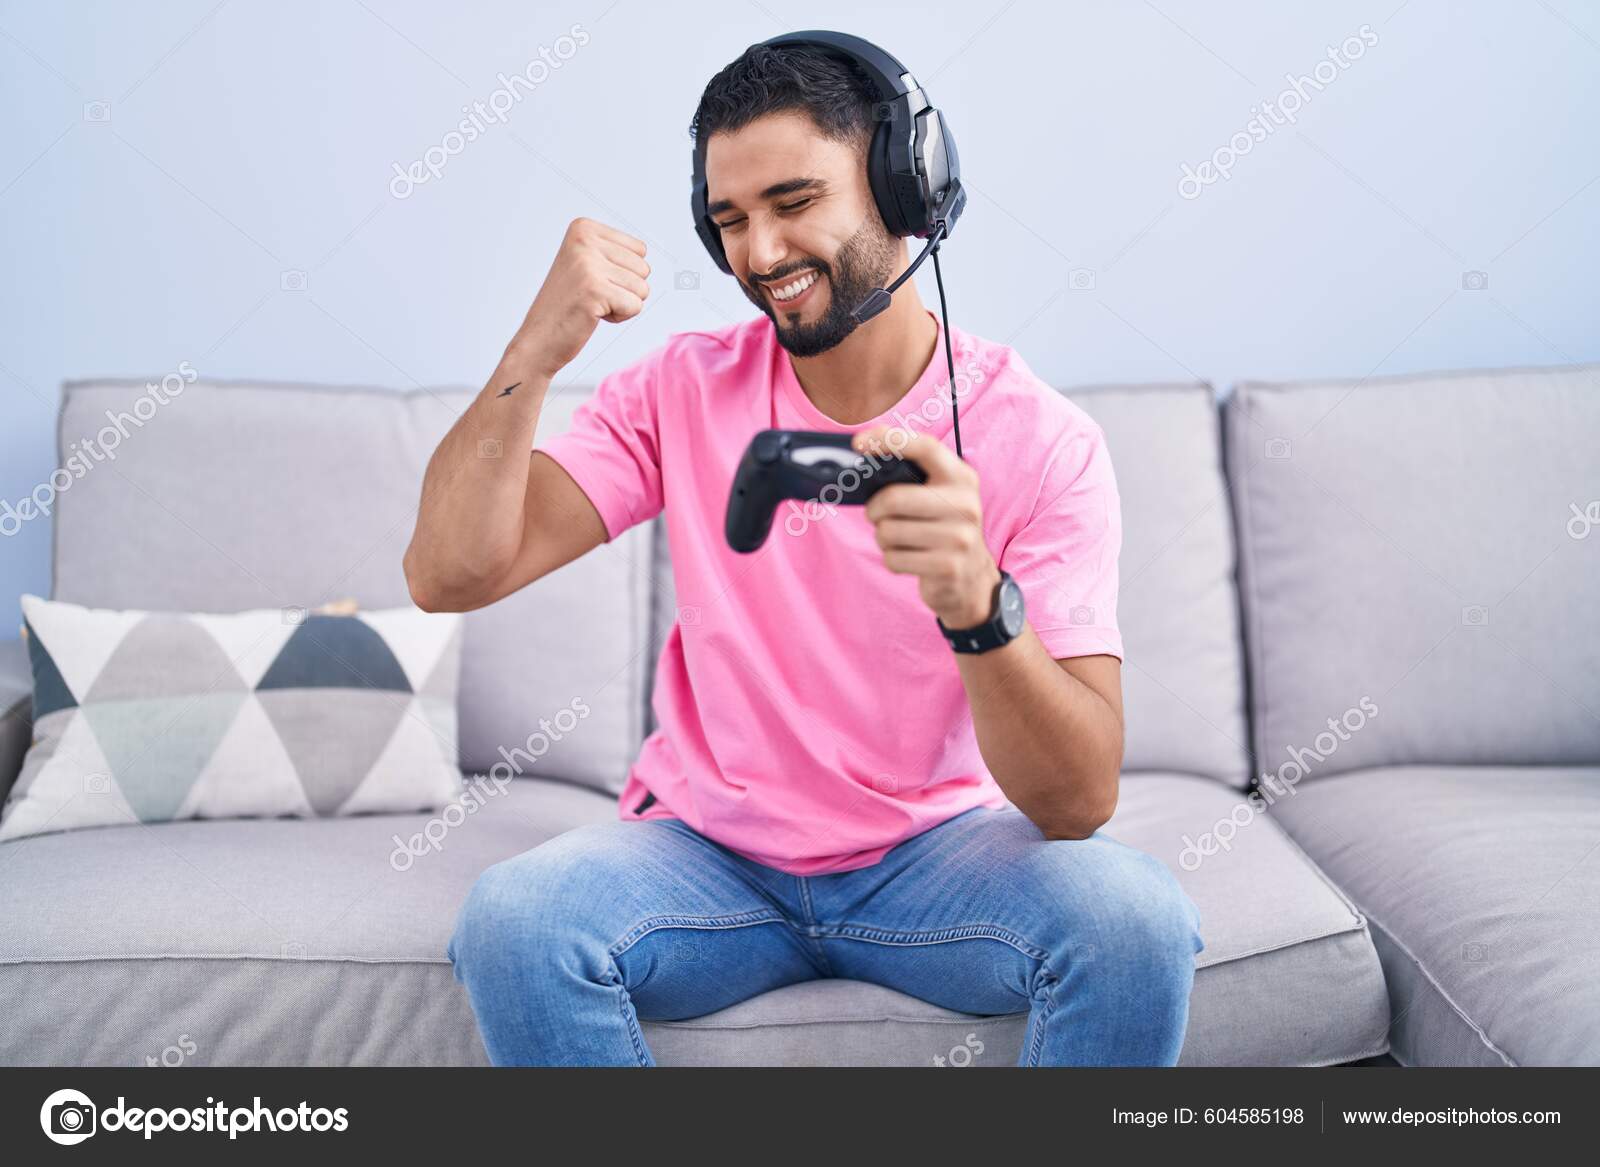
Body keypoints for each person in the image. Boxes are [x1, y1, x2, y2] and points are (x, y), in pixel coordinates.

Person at [403, 35, 1202, 1067]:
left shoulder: (1038, 440)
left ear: (903, 186)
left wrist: (976, 605)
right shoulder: (681, 390)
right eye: (730, 220)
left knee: (1132, 920)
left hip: (938, 857)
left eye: (794, 201)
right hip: (708, 858)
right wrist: (537, 348)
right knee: (515, 923)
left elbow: (1078, 799)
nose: (762, 254)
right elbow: (447, 574)